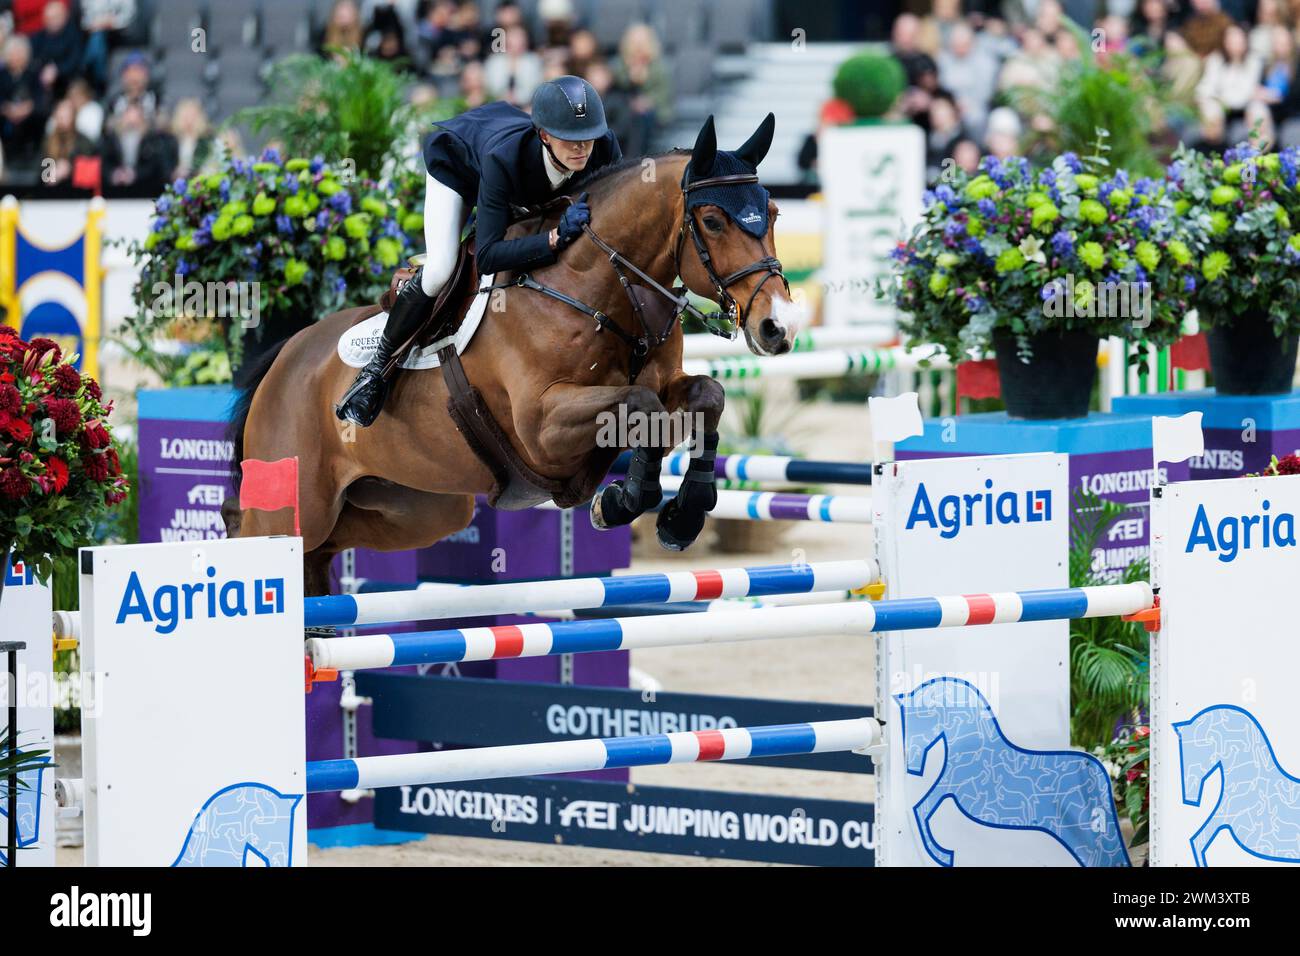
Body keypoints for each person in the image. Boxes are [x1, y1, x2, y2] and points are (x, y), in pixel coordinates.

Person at [336, 75, 623, 427]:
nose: (582, 148)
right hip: (458, 167)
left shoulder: (604, 147)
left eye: (587, 138)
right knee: (442, 266)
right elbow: (488, 255)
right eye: (570, 139)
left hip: (520, 182)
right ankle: (375, 370)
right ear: (545, 136)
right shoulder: (503, 160)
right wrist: (552, 240)